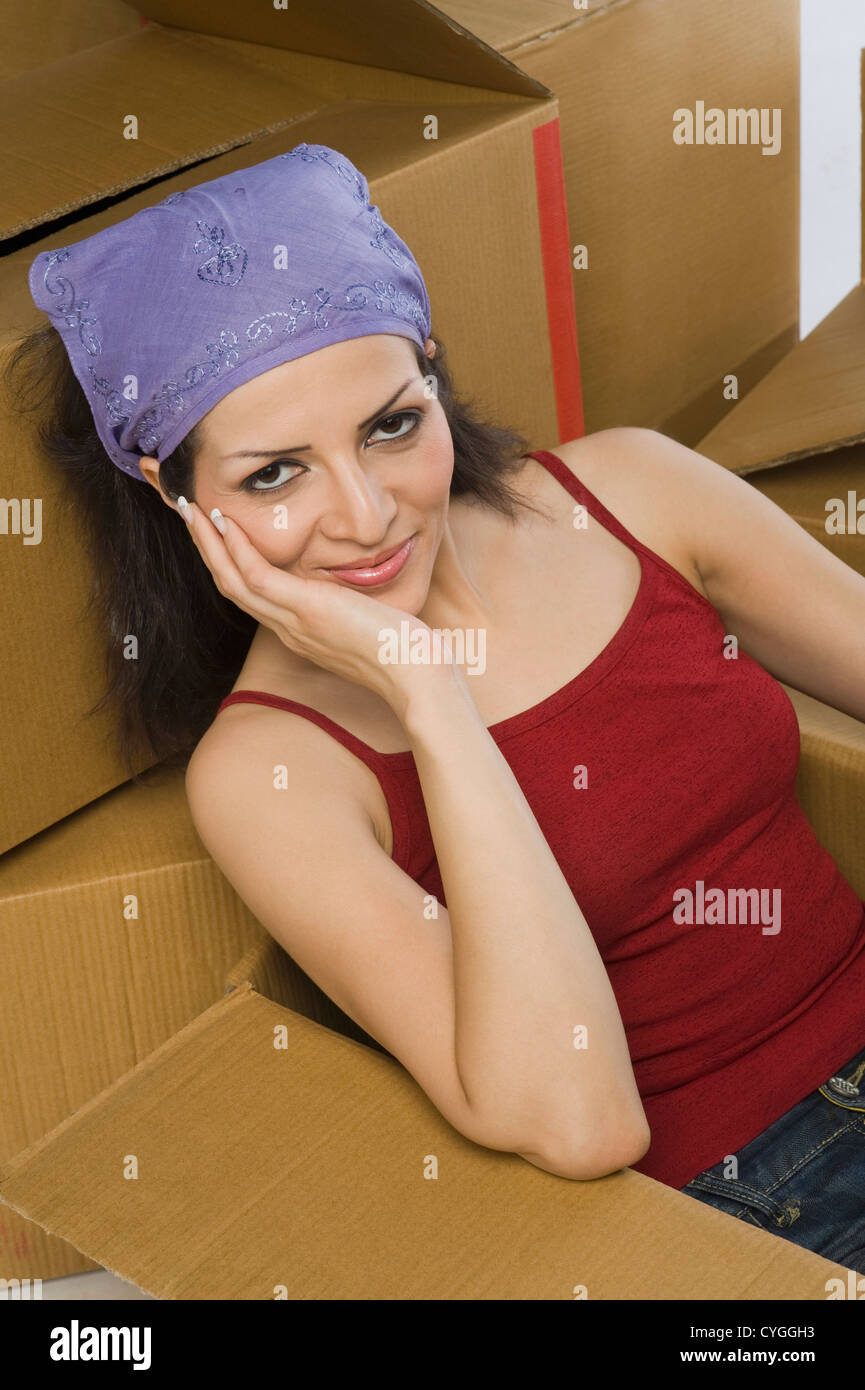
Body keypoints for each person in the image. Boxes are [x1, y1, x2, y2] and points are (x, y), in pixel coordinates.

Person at [14, 144, 865, 1279]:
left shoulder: (629, 492)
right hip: (760, 1211)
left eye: (388, 426)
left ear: (432, 369)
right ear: (174, 492)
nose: (364, 515)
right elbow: (582, 1122)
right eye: (275, 475)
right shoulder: (272, 771)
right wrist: (426, 690)